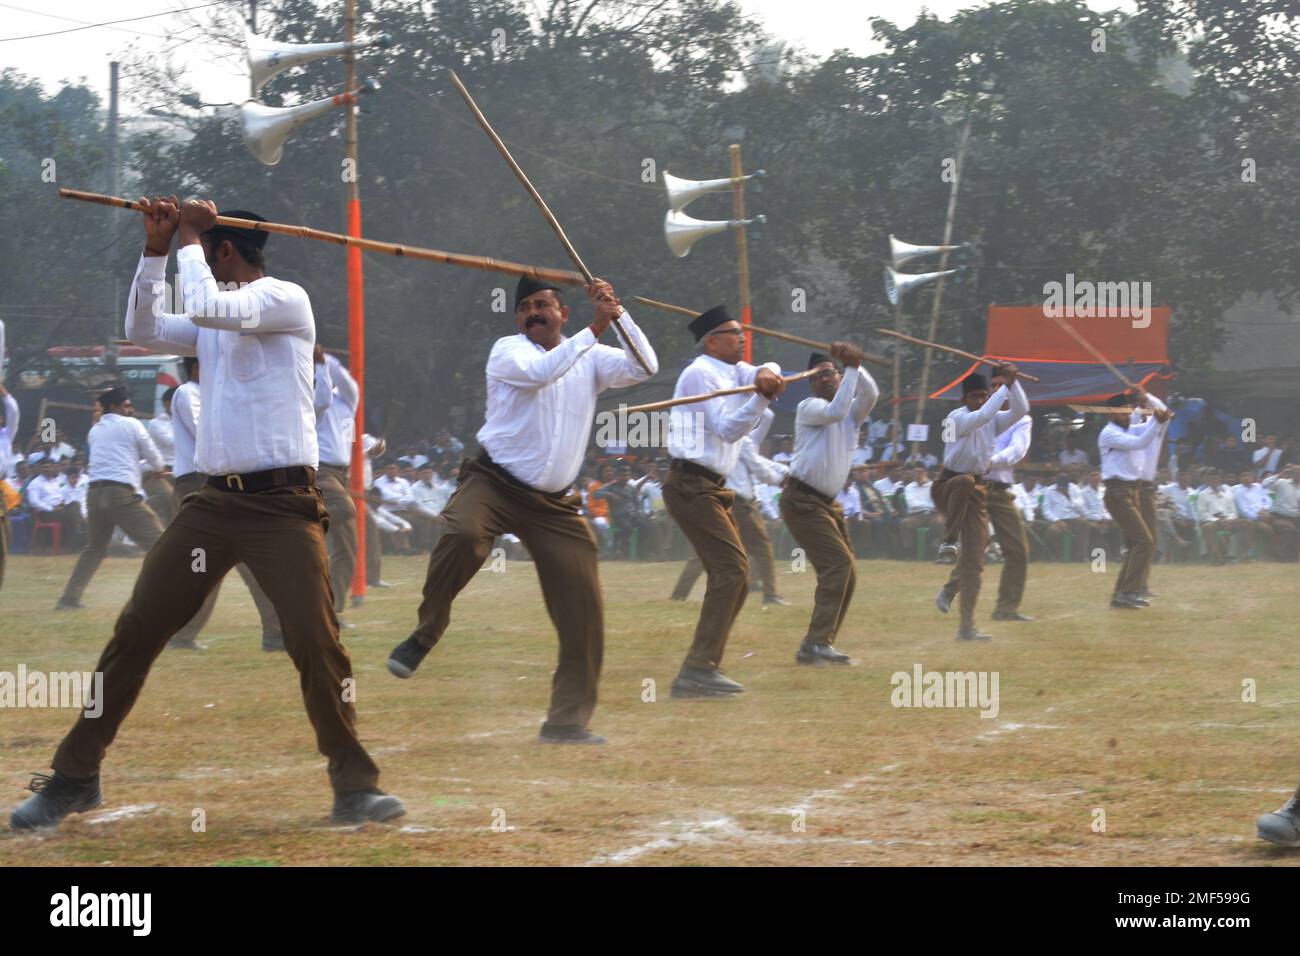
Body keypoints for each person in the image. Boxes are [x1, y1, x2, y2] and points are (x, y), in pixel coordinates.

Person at [9, 196, 404, 831]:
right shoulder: (213, 315)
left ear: (224, 250)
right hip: (214, 504)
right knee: (137, 630)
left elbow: (209, 306)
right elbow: (143, 328)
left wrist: (187, 234)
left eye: (204, 247)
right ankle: (74, 778)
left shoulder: (284, 299)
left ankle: (355, 788)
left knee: (315, 643)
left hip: (284, 506)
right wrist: (156, 249)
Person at [386, 275, 657, 744]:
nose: (533, 313)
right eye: (526, 307)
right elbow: (541, 374)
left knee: (583, 606)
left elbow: (645, 365)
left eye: (543, 305)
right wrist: (594, 327)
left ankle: (566, 721)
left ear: (562, 313)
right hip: (494, 484)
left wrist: (617, 312)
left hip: (555, 503)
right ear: (517, 318)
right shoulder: (508, 351)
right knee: (465, 535)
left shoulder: (590, 356)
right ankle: (426, 633)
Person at [662, 305, 784, 698]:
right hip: (691, 483)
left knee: (738, 575)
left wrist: (767, 371)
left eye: (743, 331)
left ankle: (704, 666)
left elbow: (765, 368)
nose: (742, 337)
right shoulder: (701, 373)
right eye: (734, 333)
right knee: (732, 570)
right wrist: (761, 399)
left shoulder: (733, 370)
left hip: (711, 486)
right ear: (712, 341)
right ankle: (696, 669)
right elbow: (730, 430)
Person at [165, 355, 285, 651]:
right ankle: (273, 632)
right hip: (197, 483)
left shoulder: (211, 396)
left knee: (236, 560)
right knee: (210, 563)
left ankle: (274, 632)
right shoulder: (187, 393)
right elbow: (206, 434)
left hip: (216, 484)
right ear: (196, 368)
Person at [780, 346, 878, 664]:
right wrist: (849, 368)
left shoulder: (852, 414)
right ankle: (815, 643)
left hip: (828, 504)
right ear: (811, 384)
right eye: (819, 375)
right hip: (802, 500)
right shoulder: (810, 407)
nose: (825, 379)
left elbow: (872, 394)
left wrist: (855, 367)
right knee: (839, 566)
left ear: (839, 376)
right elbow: (835, 410)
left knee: (846, 572)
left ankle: (822, 642)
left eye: (830, 372)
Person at [931, 366, 1028, 640]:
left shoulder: (991, 419)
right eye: (975, 396)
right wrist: (1005, 386)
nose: (981, 400)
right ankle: (949, 542)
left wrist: (1014, 384)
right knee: (964, 482)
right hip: (948, 485)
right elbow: (984, 414)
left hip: (977, 491)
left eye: (985, 395)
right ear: (964, 400)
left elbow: (1020, 411)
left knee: (975, 559)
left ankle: (966, 626)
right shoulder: (955, 418)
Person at [54, 386, 166, 610]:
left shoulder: (95, 431)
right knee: (162, 545)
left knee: (94, 549)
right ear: (115, 406)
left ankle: (69, 599)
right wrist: (158, 469)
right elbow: (156, 460)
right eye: (126, 405)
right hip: (120, 494)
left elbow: (123, 462)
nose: (130, 409)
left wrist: (144, 467)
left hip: (94, 494)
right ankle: (154, 598)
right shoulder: (132, 424)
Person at [670, 408, 788, 604]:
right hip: (741, 504)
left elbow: (761, 449)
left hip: (718, 500)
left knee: (704, 550)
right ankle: (770, 594)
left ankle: (679, 594)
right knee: (762, 547)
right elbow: (759, 469)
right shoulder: (744, 441)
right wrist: (781, 478)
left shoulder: (716, 439)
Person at [1098, 391, 1170, 608]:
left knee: (1135, 544)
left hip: (1132, 492)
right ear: (1111, 413)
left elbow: (1161, 416)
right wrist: (1157, 422)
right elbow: (1140, 443)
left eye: (1129, 409)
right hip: (1118, 493)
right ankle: (1128, 592)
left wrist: (1146, 397)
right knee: (1144, 541)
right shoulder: (1109, 433)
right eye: (1121, 411)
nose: (1126, 413)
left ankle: (1122, 594)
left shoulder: (1130, 428)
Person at [313, 346, 360, 616]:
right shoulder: (310, 397)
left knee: (347, 551)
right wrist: (320, 364)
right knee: (343, 509)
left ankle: (331, 611)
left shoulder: (346, 401)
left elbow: (348, 384)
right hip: (320, 472)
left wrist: (326, 360)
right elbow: (322, 400)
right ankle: (302, 529)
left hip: (341, 475)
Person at [144, 387, 178, 525]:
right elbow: (173, 442)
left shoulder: (190, 420)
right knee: (169, 497)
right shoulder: (156, 424)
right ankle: (140, 515)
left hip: (183, 471)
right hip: (162, 471)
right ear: (167, 403)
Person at [0, 376, 17, 593]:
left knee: (7, 537)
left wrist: (3, 390)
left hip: (3, 492)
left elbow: (13, 411)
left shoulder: (6, 436)